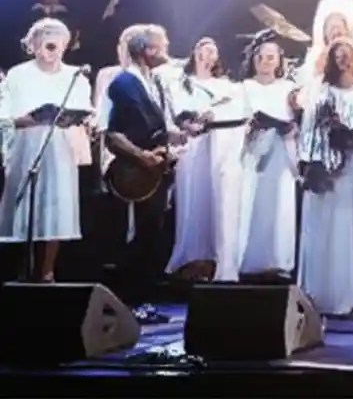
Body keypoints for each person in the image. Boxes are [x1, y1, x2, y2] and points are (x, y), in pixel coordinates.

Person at [296, 38, 353, 318]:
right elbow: (310, 132)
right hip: (334, 166)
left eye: (348, 55)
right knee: (336, 224)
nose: (344, 60)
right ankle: (335, 295)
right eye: (338, 56)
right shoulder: (322, 93)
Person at [0, 18, 93, 281]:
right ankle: (21, 267)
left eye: (55, 44)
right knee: (25, 205)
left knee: (55, 206)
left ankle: (47, 270)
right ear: (33, 45)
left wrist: (75, 118)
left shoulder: (75, 76)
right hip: (26, 146)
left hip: (60, 147)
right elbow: (4, 115)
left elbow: (83, 111)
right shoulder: (18, 74)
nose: (50, 50)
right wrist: (31, 119)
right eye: (44, 43)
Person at [102, 24, 176, 315]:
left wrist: (176, 137)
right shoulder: (123, 83)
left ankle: (144, 302)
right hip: (133, 175)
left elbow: (154, 128)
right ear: (147, 50)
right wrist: (143, 156)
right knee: (133, 239)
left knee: (151, 237)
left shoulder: (153, 82)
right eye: (162, 44)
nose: (167, 49)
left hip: (154, 173)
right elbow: (113, 134)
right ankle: (128, 305)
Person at [166, 38, 246, 283]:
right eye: (203, 50)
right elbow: (174, 112)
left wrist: (213, 114)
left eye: (213, 51)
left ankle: (215, 259)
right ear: (195, 53)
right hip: (192, 146)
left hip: (219, 146)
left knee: (216, 201)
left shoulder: (226, 86)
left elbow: (237, 112)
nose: (208, 55)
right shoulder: (181, 83)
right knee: (192, 198)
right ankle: (191, 256)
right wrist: (189, 123)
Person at [238, 38, 301, 281]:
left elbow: (295, 120)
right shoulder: (245, 87)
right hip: (254, 151)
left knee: (280, 205)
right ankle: (250, 261)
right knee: (253, 203)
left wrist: (290, 127)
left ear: (278, 61)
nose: (265, 62)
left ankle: (279, 261)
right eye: (261, 57)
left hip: (281, 151)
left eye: (270, 57)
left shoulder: (288, 88)